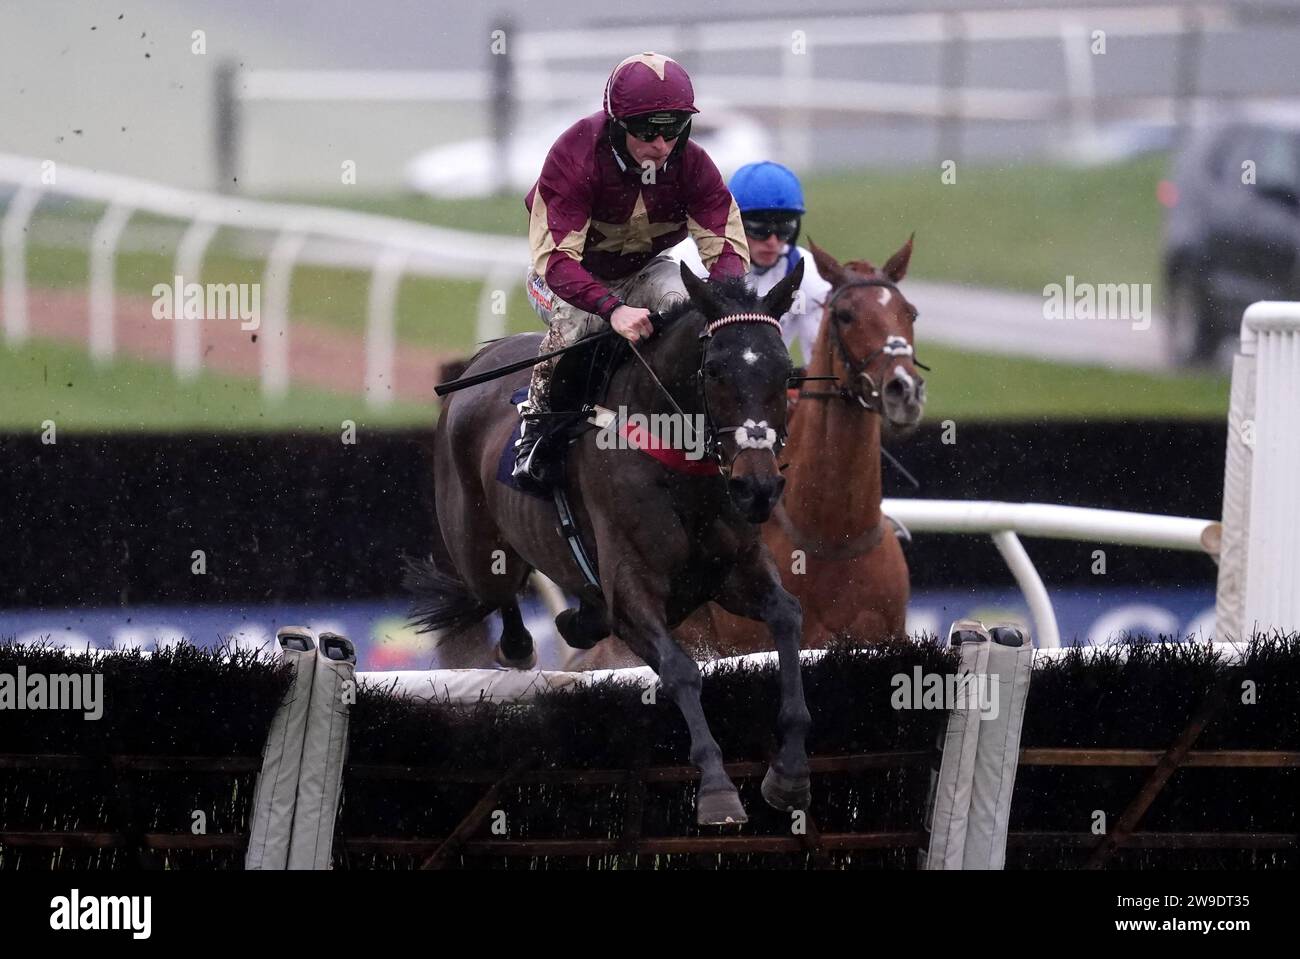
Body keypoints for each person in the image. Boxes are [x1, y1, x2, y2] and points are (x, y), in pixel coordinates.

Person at [513, 52, 750, 483]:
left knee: (687, 311)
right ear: (616, 125)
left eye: (674, 128)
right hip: (566, 279)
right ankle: (536, 426)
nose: (661, 145)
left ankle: (690, 423)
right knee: (578, 323)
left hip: (644, 270)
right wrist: (612, 308)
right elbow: (557, 261)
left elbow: (728, 252)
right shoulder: (573, 156)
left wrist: (724, 308)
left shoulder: (695, 166)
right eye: (646, 131)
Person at [726, 161, 831, 366]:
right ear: (733, 223)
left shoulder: (806, 270)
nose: (773, 242)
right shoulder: (690, 261)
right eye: (759, 229)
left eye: (784, 229)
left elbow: (819, 362)